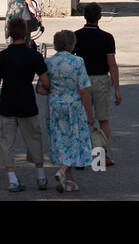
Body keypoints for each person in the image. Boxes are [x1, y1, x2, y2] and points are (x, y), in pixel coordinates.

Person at [0, 18, 49, 192]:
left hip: (7, 102)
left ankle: (12, 179)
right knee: (34, 138)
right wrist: (45, 88)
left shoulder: (3, 55)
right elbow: (45, 80)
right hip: (27, 102)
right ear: (25, 33)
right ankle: (40, 176)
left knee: (6, 141)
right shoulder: (33, 55)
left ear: (9, 32)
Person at [37, 30, 96, 193]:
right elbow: (84, 89)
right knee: (75, 140)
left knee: (60, 140)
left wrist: (55, 91)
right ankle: (63, 170)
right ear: (72, 44)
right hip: (74, 106)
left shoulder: (49, 62)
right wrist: (90, 114)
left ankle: (69, 181)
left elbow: (40, 88)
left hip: (55, 105)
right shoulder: (77, 62)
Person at [74, 2, 121, 166]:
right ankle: (100, 156)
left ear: (84, 16)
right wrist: (116, 88)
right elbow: (112, 64)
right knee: (103, 119)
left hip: (81, 81)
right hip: (101, 79)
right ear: (99, 17)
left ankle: (81, 156)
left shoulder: (76, 36)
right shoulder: (107, 38)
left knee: (83, 119)